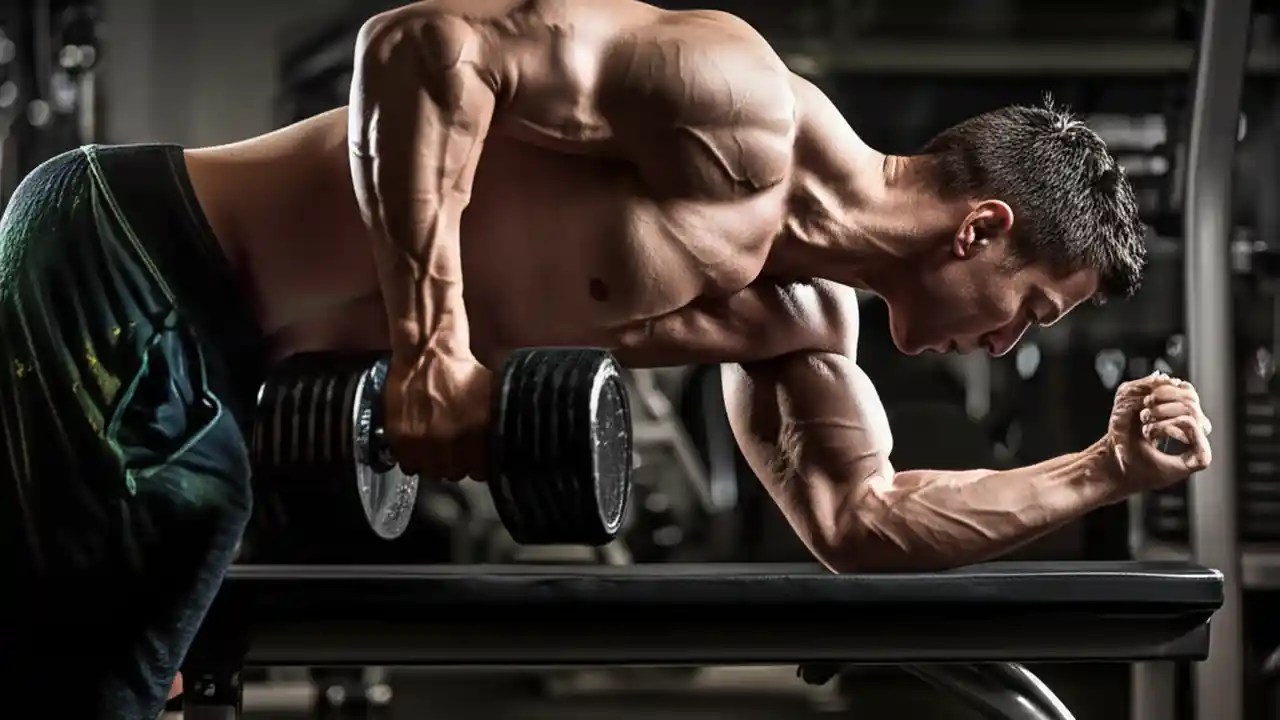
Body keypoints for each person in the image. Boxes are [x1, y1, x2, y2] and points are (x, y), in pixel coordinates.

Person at [0, 0, 1212, 715]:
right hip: (134, 248)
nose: (1008, 341)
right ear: (981, 227)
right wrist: (434, 352)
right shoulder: (740, 106)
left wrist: (1098, 473)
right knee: (164, 555)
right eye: (1028, 310)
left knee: (170, 653)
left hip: (226, 366)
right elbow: (423, 49)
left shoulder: (801, 323)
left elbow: (863, 522)